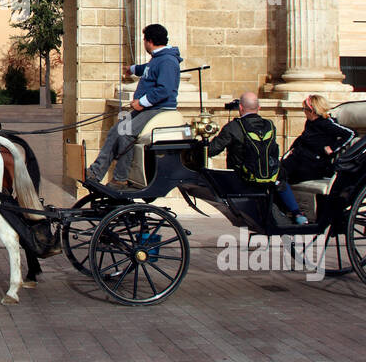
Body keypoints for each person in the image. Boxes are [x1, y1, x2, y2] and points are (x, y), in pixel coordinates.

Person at [87, 24, 182, 186]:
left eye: (145, 40)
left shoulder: (167, 61)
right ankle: (95, 172)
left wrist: (142, 102)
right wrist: (132, 69)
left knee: (125, 134)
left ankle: (120, 178)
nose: (144, 43)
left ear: (150, 41)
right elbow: (147, 69)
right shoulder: (159, 58)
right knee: (115, 131)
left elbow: (164, 90)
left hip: (158, 109)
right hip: (149, 108)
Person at [204, 92, 307, 225]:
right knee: (280, 177)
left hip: (243, 180)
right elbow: (274, 152)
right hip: (269, 177)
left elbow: (212, 150)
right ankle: (297, 213)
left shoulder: (233, 127)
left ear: (240, 108)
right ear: (259, 108)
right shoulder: (269, 125)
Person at [283, 94, 355, 185]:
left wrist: (332, 148)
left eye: (304, 109)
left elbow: (350, 133)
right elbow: (303, 138)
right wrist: (292, 149)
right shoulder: (310, 122)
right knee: (276, 173)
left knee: (282, 177)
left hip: (315, 165)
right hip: (300, 159)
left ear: (312, 111)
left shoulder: (326, 123)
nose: (304, 112)